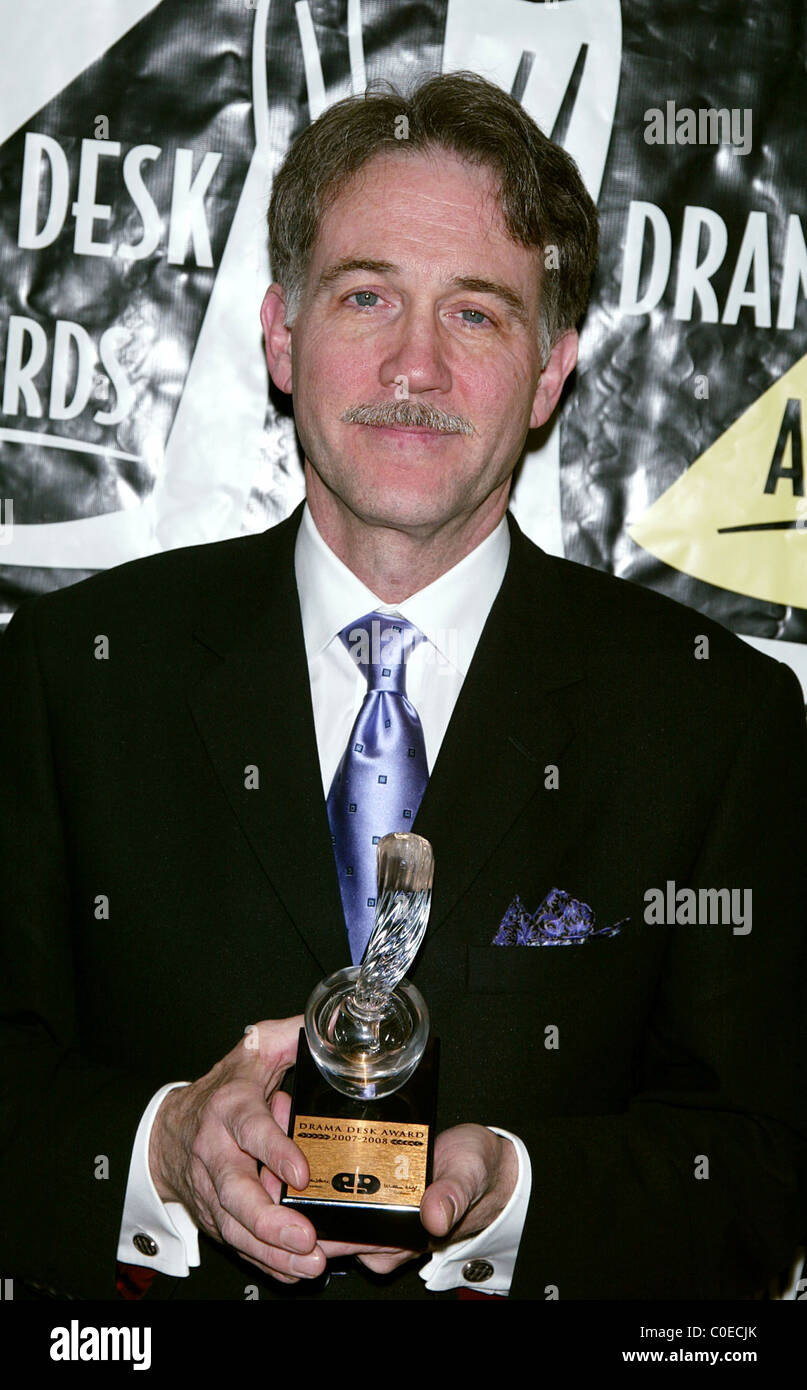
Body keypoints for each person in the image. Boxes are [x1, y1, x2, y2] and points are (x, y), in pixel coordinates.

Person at [1, 72, 805, 1303]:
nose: (415, 365)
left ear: (550, 372)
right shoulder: (69, 679)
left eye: (477, 314)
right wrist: (163, 1150)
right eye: (366, 294)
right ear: (280, 333)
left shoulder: (718, 721)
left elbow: (754, 1164)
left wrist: (518, 1205)